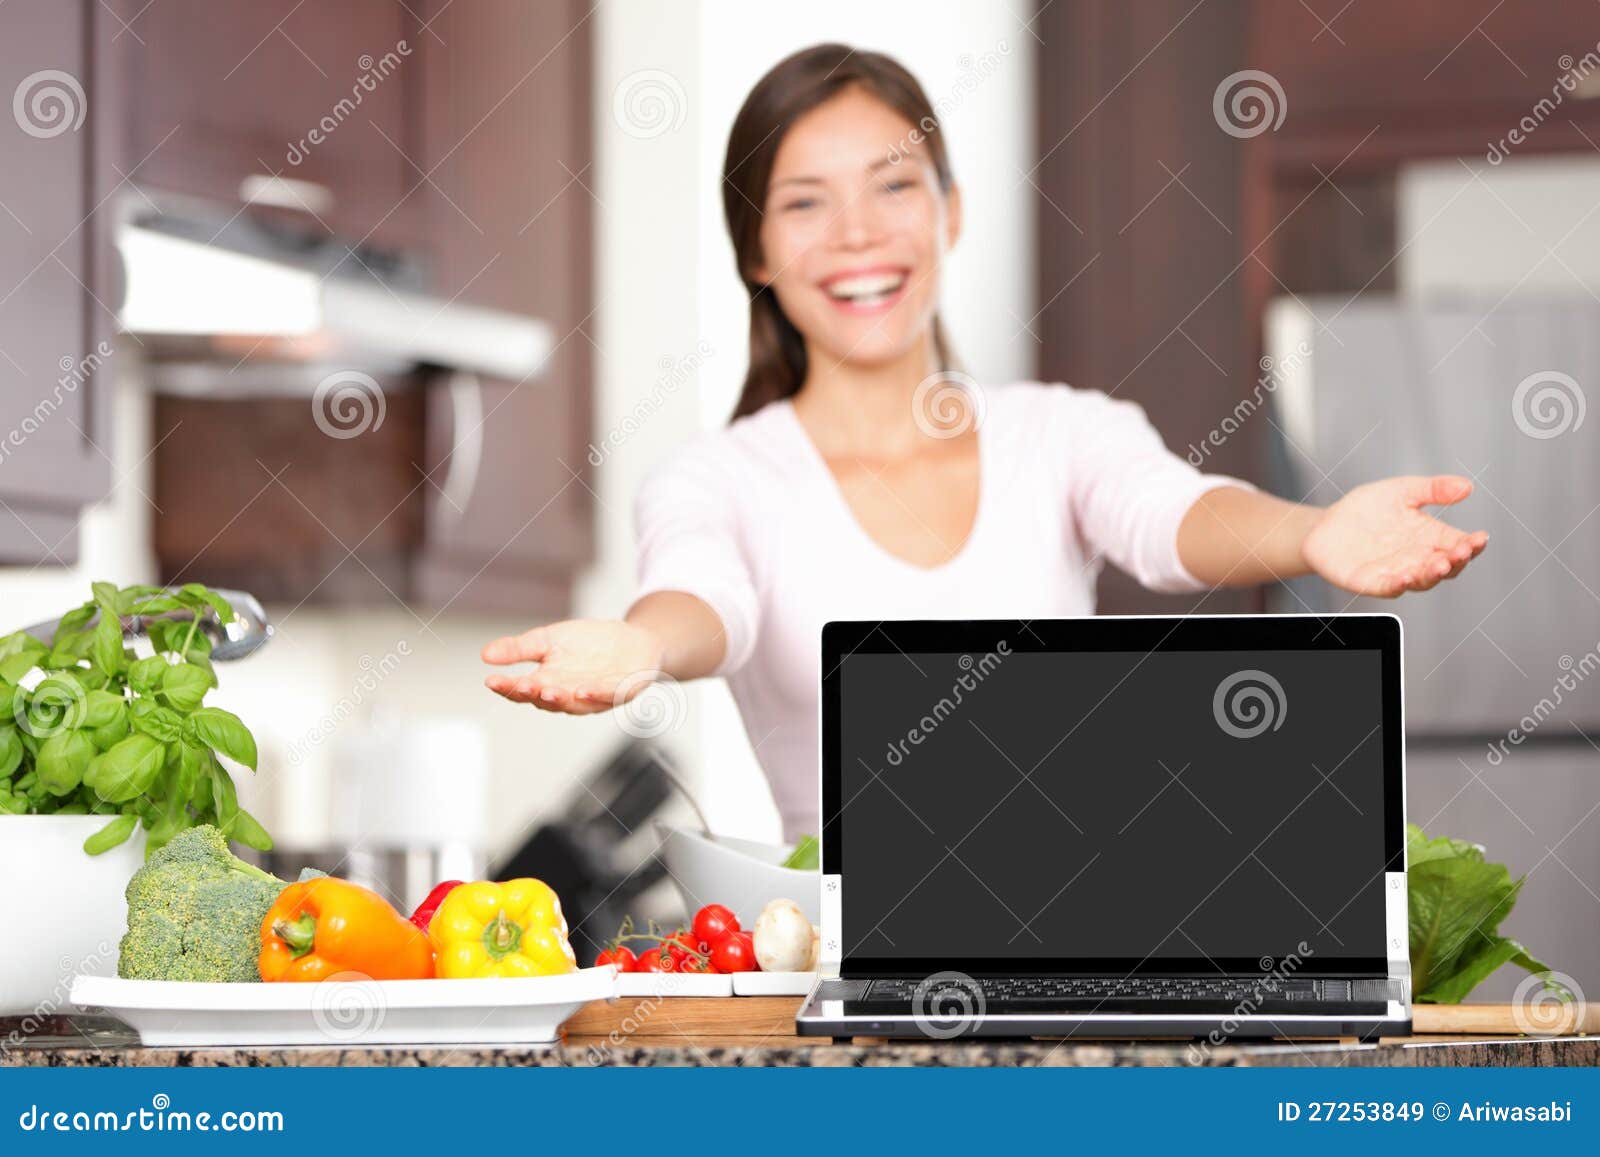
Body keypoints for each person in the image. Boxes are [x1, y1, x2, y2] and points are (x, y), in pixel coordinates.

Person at [482, 44, 1487, 840]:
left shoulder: (1060, 432)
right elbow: (707, 599)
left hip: (1078, 943)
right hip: (844, 971)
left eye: (892, 187)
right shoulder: (718, 478)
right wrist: (644, 645)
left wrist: (1310, 532)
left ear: (949, 212)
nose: (856, 233)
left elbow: (1168, 515)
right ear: (756, 252)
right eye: (803, 202)